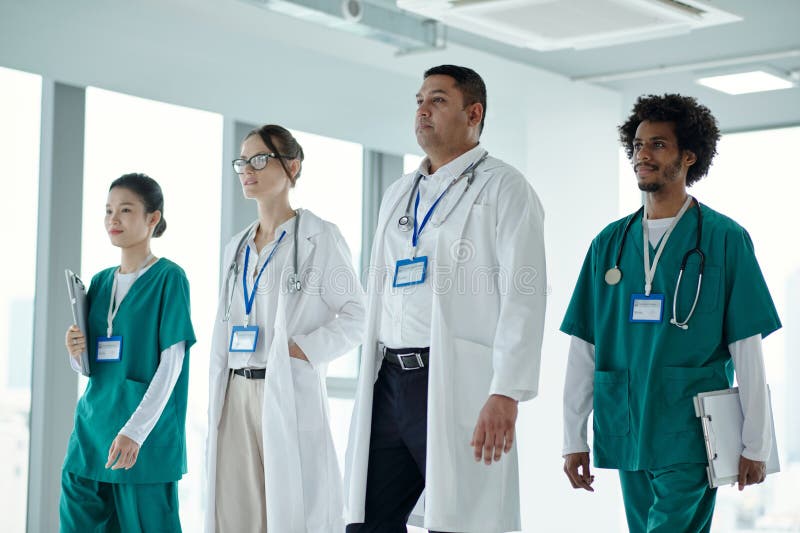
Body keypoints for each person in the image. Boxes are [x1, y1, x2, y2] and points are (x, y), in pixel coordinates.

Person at [561, 94, 781, 532]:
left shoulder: (724, 238)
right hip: (625, 424)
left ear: (689, 156)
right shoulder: (609, 243)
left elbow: (746, 347)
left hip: (691, 429)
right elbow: (584, 346)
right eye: (639, 145)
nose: (643, 154)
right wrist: (573, 438)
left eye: (658, 145)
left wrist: (757, 442)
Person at [344, 65, 547, 533]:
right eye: (418, 100)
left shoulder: (504, 187)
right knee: (366, 522)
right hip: (389, 379)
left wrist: (506, 391)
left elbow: (525, 293)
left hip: (455, 380)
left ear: (473, 113)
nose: (422, 110)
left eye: (436, 100)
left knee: (460, 522)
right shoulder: (399, 193)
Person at [205, 124, 366, 533]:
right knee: (238, 512)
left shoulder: (319, 237)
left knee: (291, 513)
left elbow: (357, 315)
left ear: (291, 166)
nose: (248, 169)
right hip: (235, 390)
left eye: (260, 159)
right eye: (242, 161)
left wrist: (302, 349)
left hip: (284, 388)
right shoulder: (236, 246)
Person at [61, 173, 196, 532]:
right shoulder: (101, 281)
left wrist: (135, 431)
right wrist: (75, 352)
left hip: (143, 437)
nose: (112, 220)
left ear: (153, 218)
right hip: (92, 431)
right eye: (108, 211)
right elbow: (94, 367)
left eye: (124, 210)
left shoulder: (170, 278)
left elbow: (173, 363)